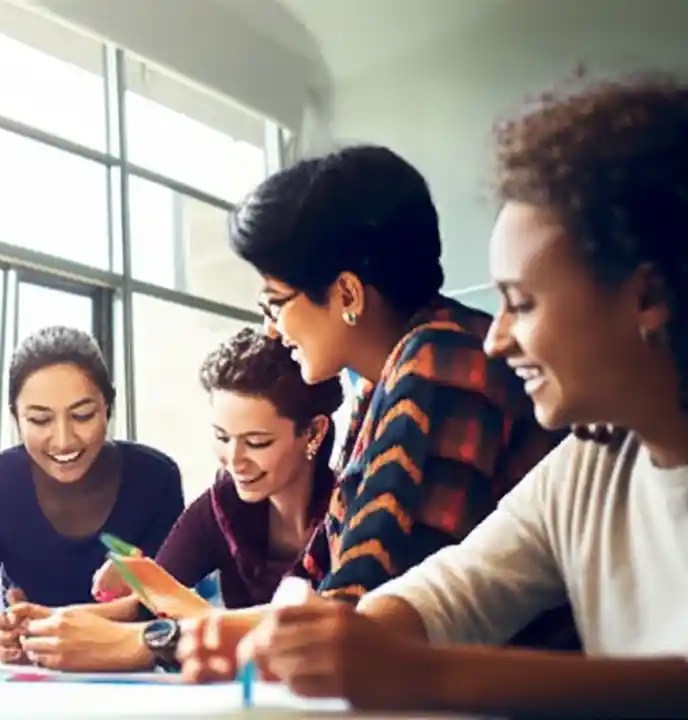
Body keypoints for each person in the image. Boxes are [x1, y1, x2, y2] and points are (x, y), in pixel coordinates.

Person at [236, 74, 688, 717]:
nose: (497, 339)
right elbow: (449, 591)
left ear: (647, 298)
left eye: (521, 304)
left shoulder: (438, 362)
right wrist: (357, 638)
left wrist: (415, 669)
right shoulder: (591, 462)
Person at [178, 144, 567, 681]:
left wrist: (155, 640)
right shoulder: (385, 385)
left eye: (275, 302)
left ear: (346, 293)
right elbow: (314, 587)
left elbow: (354, 614)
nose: (271, 328)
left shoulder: (438, 364)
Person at [0, 328, 343, 672]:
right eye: (222, 437)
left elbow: (324, 631)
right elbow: (147, 606)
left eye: (257, 442)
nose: (234, 461)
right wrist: (45, 623)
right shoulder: (221, 506)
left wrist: (149, 614)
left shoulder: (352, 514)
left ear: (313, 432)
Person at [0, 326, 184, 638]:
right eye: (40, 420)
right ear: (16, 418)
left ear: (108, 408)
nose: (63, 441)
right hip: (22, 676)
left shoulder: (155, 480)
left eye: (83, 415)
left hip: (136, 670)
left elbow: (175, 608)